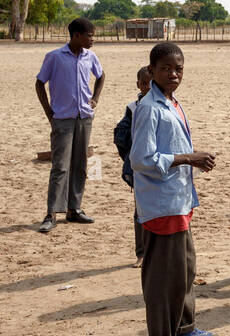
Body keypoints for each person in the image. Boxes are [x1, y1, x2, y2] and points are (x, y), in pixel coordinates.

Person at [131, 42, 218, 336]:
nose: (173, 74)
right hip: (161, 204)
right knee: (163, 277)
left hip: (178, 200)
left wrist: (191, 162)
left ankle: (183, 329)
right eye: (166, 68)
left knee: (184, 268)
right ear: (151, 71)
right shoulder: (150, 108)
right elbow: (141, 159)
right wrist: (187, 158)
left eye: (178, 68)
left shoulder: (170, 102)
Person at [35, 17, 105, 233]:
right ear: (76, 36)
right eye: (89, 35)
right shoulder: (55, 57)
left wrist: (95, 99)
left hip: (84, 117)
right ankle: (52, 213)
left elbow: (101, 76)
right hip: (62, 119)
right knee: (60, 166)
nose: (93, 39)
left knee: (80, 165)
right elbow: (39, 83)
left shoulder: (90, 56)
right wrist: (49, 113)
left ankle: (74, 209)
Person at [113, 66, 153, 266]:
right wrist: (129, 159)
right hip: (139, 168)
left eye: (151, 83)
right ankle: (141, 253)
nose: (148, 87)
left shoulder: (166, 105)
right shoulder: (132, 108)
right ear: (138, 84)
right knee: (140, 211)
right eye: (144, 83)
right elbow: (121, 136)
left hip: (160, 166)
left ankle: (156, 253)